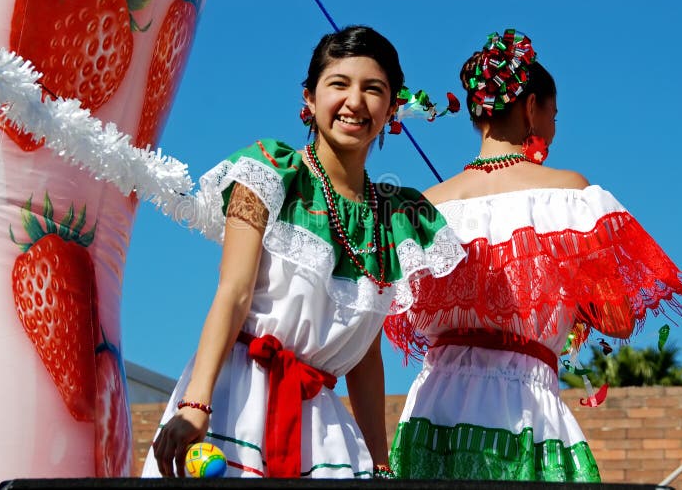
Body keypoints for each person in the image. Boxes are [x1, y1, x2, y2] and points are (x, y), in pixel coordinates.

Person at [142, 25, 465, 479]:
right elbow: (233, 292)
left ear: (392, 108)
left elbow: (366, 356)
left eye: (374, 89)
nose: (355, 101)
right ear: (310, 99)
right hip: (236, 402)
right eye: (339, 84)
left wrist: (380, 461)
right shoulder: (270, 171)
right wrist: (197, 403)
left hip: (323, 427)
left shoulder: (397, 217)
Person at [384, 29, 682, 482]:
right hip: (520, 405)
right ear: (531, 107)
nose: (554, 124)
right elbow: (616, 318)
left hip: (432, 406)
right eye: (554, 112)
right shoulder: (569, 196)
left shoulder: (425, 205)